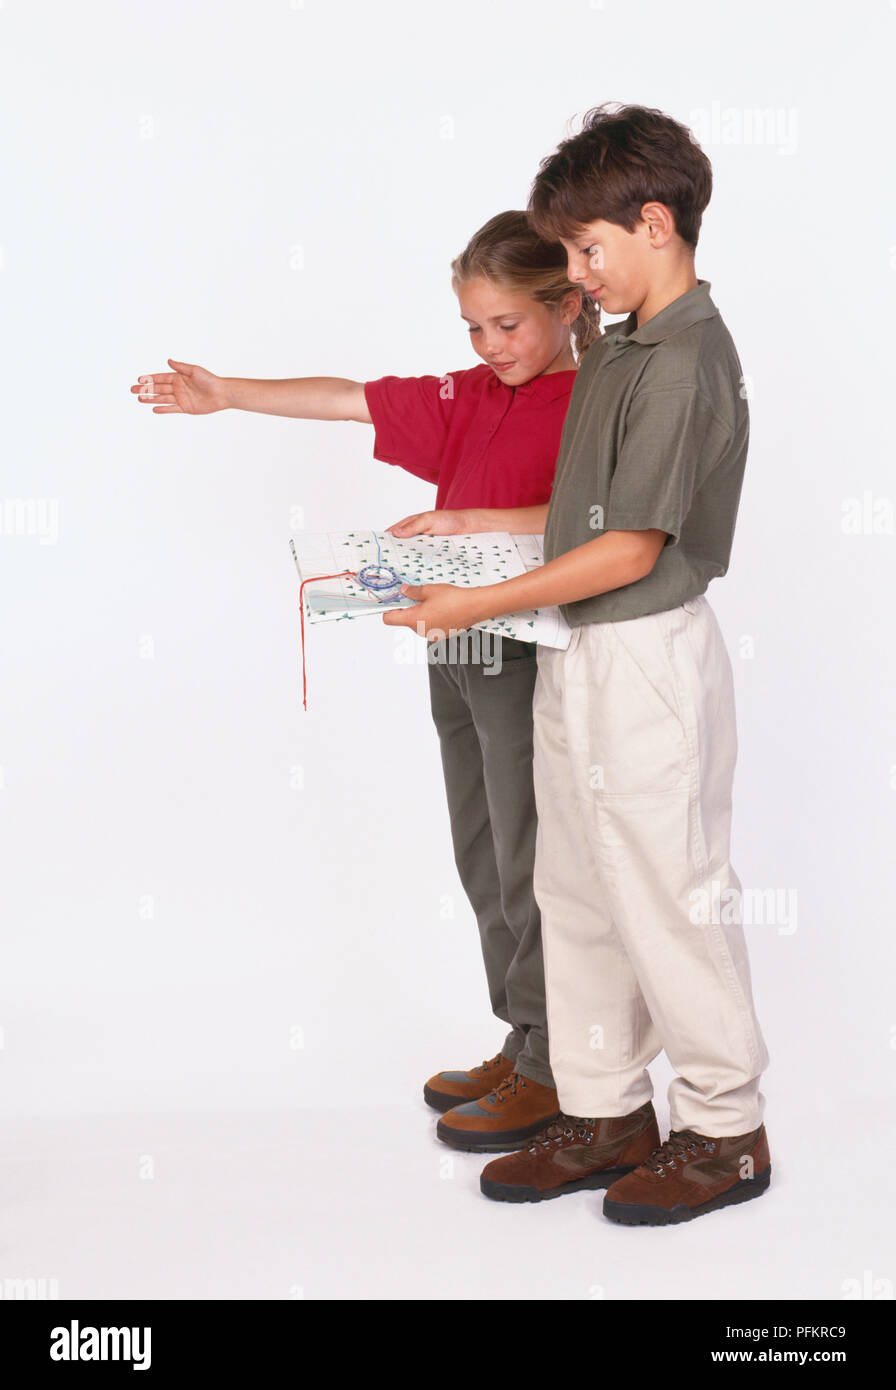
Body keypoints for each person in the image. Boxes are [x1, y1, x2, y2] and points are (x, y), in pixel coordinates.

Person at [130, 211, 601, 1153]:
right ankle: (522, 1036)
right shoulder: (467, 393)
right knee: (480, 851)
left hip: (524, 646)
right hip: (451, 642)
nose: (489, 345)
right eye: (473, 326)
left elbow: (604, 520)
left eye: (508, 324)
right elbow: (348, 398)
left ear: (568, 303)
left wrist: (472, 521)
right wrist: (226, 392)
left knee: (530, 856)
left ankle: (560, 1063)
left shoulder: (595, 401)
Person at [384, 105, 771, 1225]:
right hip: (572, 646)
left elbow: (625, 547)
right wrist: (465, 529)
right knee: (575, 889)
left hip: (643, 651)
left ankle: (724, 1130)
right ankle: (604, 1109)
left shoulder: (685, 358)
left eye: (589, 251)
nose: (579, 275)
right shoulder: (615, 346)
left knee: (669, 893)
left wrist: (475, 600)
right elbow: (568, 515)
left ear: (654, 223)